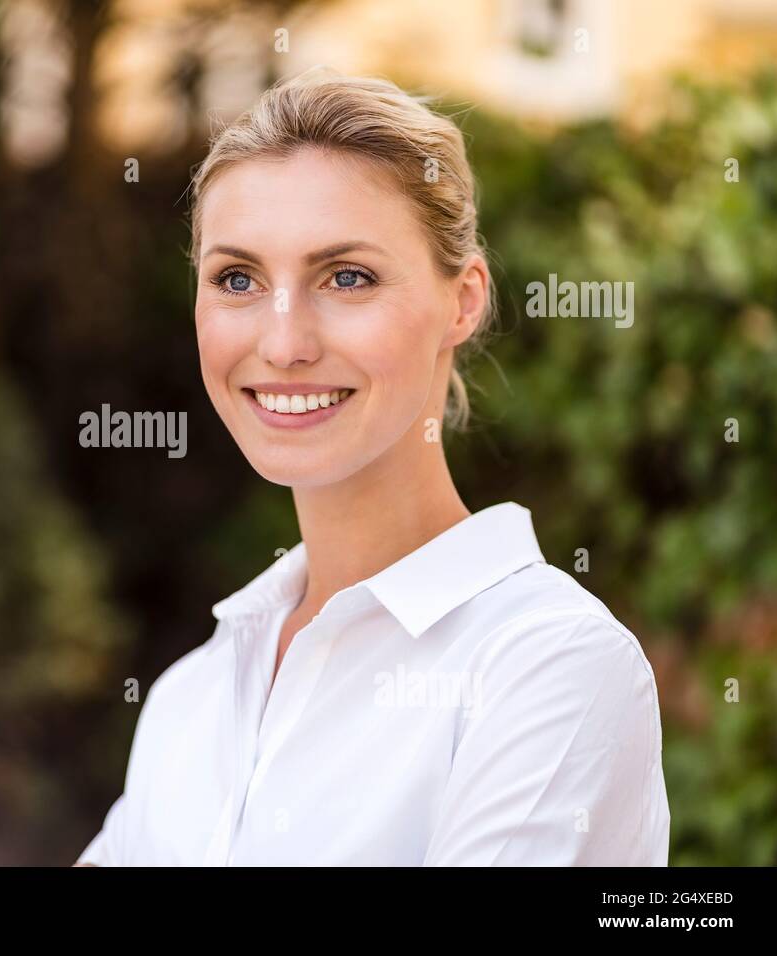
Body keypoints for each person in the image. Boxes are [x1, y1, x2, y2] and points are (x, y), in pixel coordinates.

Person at [74, 68, 669, 866]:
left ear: (463, 301)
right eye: (237, 279)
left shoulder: (550, 667)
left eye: (346, 277)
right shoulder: (193, 695)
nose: (283, 344)